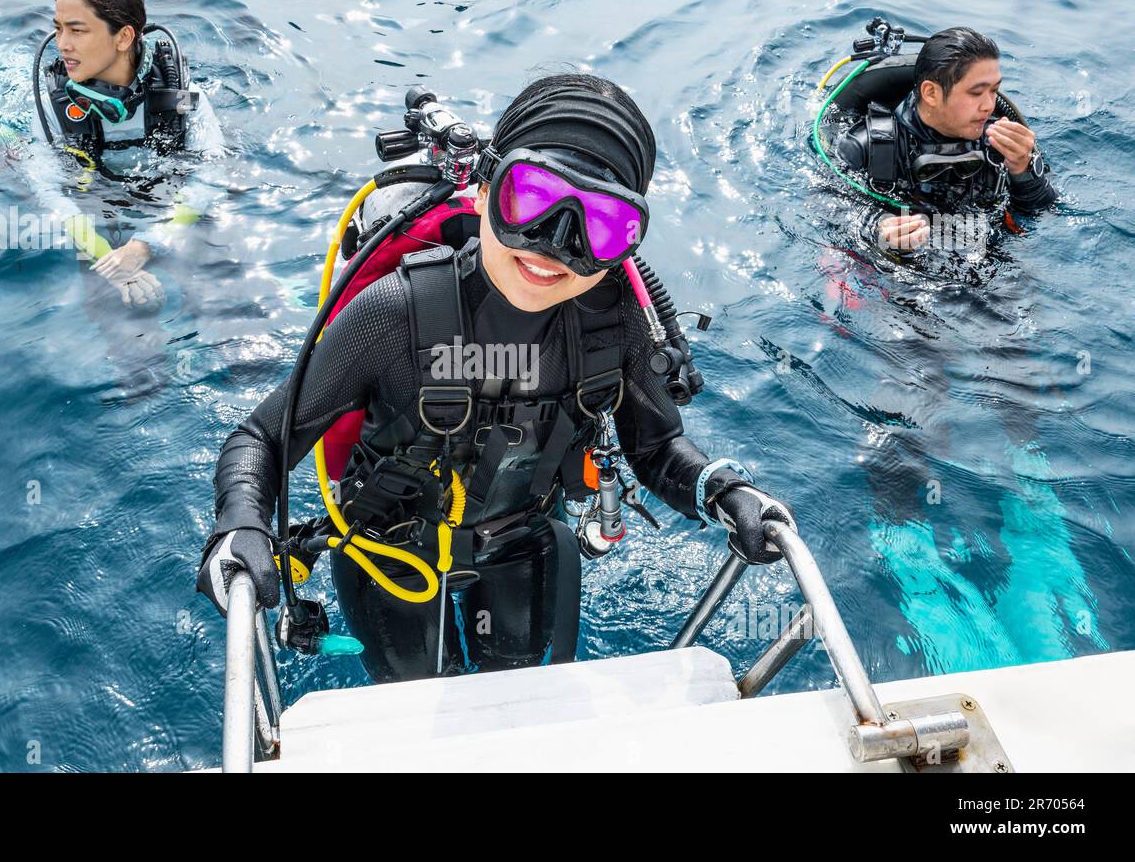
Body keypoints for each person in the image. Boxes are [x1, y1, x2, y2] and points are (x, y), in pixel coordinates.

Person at [198, 73, 797, 684]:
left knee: (523, 704)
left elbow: (656, 446)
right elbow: (262, 438)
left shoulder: (614, 320)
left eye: (598, 224)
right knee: (415, 704)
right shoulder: (393, 312)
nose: (554, 248)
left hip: (524, 539)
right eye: (531, 199)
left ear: (627, 242)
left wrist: (724, 492)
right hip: (390, 552)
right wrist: (240, 522)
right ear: (484, 189)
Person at [30, 0, 223, 307]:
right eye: (58, 29)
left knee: (225, 309)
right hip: (96, 219)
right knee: (132, 337)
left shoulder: (182, 97)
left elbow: (212, 174)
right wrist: (109, 261)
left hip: (172, 209)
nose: (62, 44)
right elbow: (47, 189)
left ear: (122, 38)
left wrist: (145, 246)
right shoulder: (51, 107)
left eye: (77, 30)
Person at [831, 27, 1056, 252]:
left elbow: (1044, 215)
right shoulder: (869, 147)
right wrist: (874, 227)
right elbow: (828, 209)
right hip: (895, 267)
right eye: (976, 93)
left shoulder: (999, 144)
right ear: (931, 93)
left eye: (994, 90)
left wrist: (1022, 171)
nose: (989, 105)